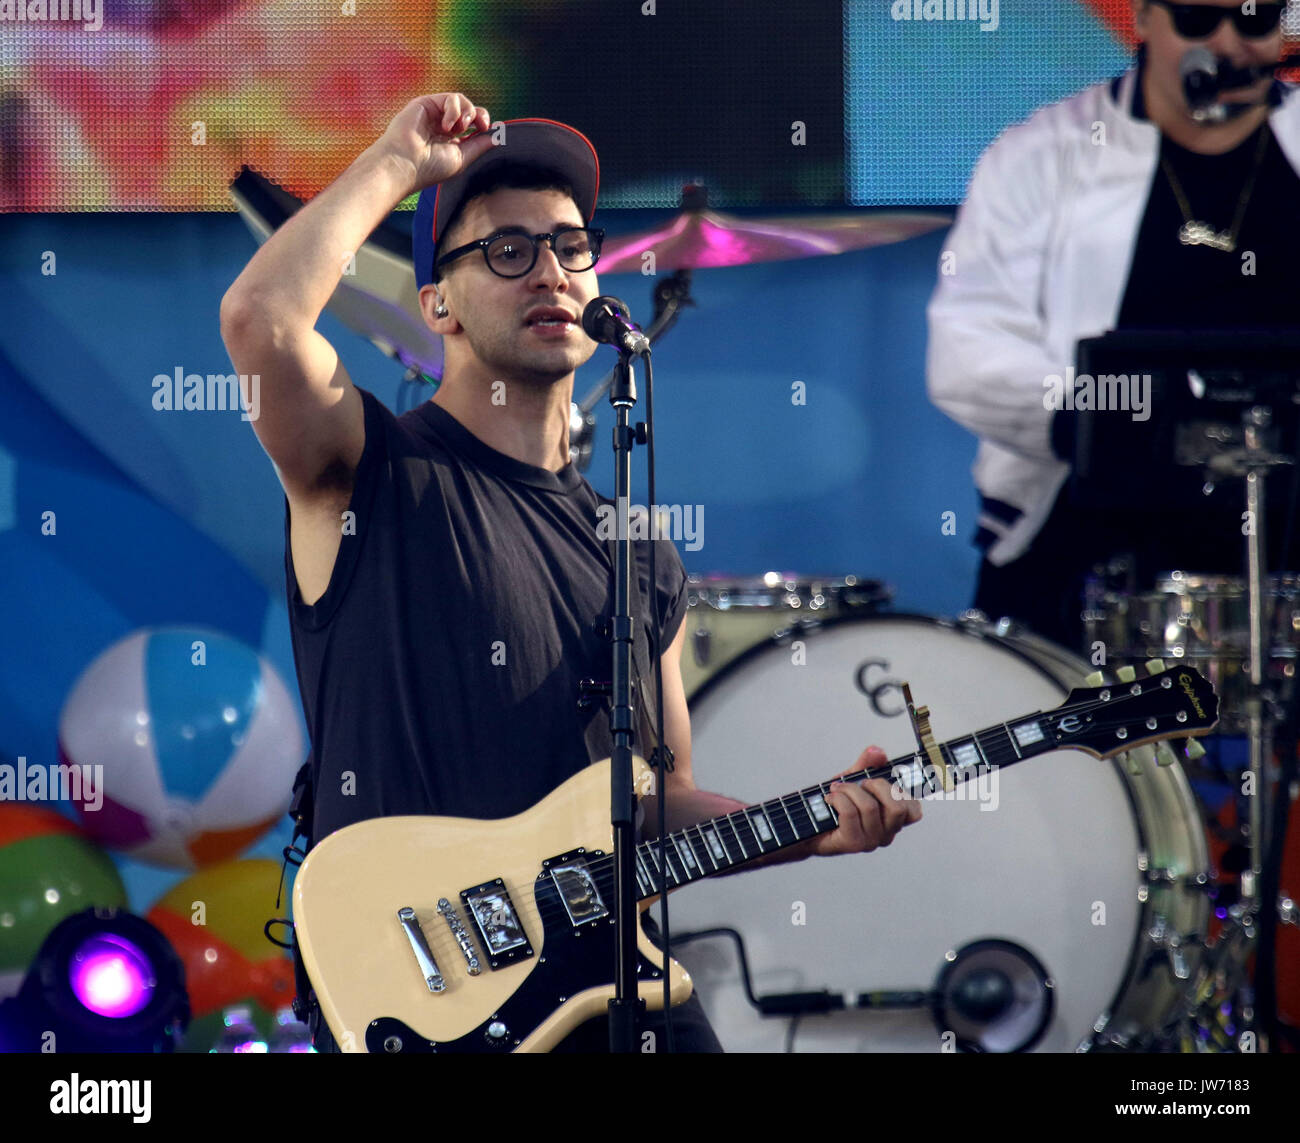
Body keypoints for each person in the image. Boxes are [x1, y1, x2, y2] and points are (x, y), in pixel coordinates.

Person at [220, 92, 923, 1053]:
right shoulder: (375, 471)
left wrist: (813, 825)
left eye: (569, 245)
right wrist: (394, 160)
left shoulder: (638, 547)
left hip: (604, 984)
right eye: (505, 251)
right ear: (436, 306)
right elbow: (259, 320)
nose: (548, 269)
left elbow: (655, 799)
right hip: (430, 995)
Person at [927, 0, 1300, 652]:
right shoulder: (1040, 155)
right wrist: (1094, 421)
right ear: (1146, 18)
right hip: (1084, 535)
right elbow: (965, 346)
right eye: (1198, 19)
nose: (1227, 42)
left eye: (1254, 19)